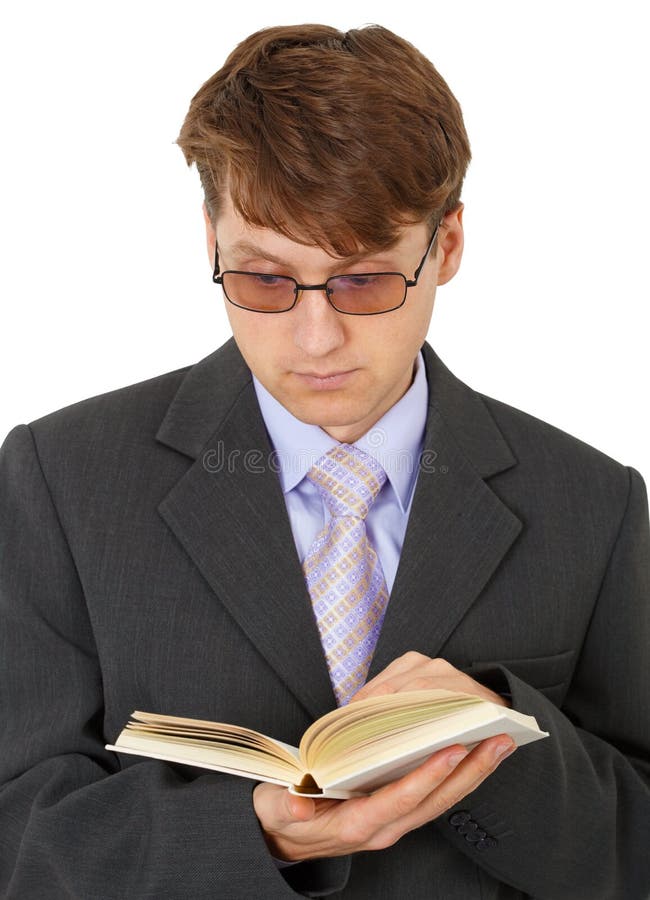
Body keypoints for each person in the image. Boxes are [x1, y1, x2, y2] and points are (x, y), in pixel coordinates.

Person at [0, 22, 648, 900]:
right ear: (210, 243)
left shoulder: (595, 504)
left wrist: (497, 733)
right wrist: (255, 836)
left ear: (447, 246)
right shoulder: (60, 479)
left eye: (364, 280)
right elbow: (16, 830)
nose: (315, 339)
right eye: (265, 280)